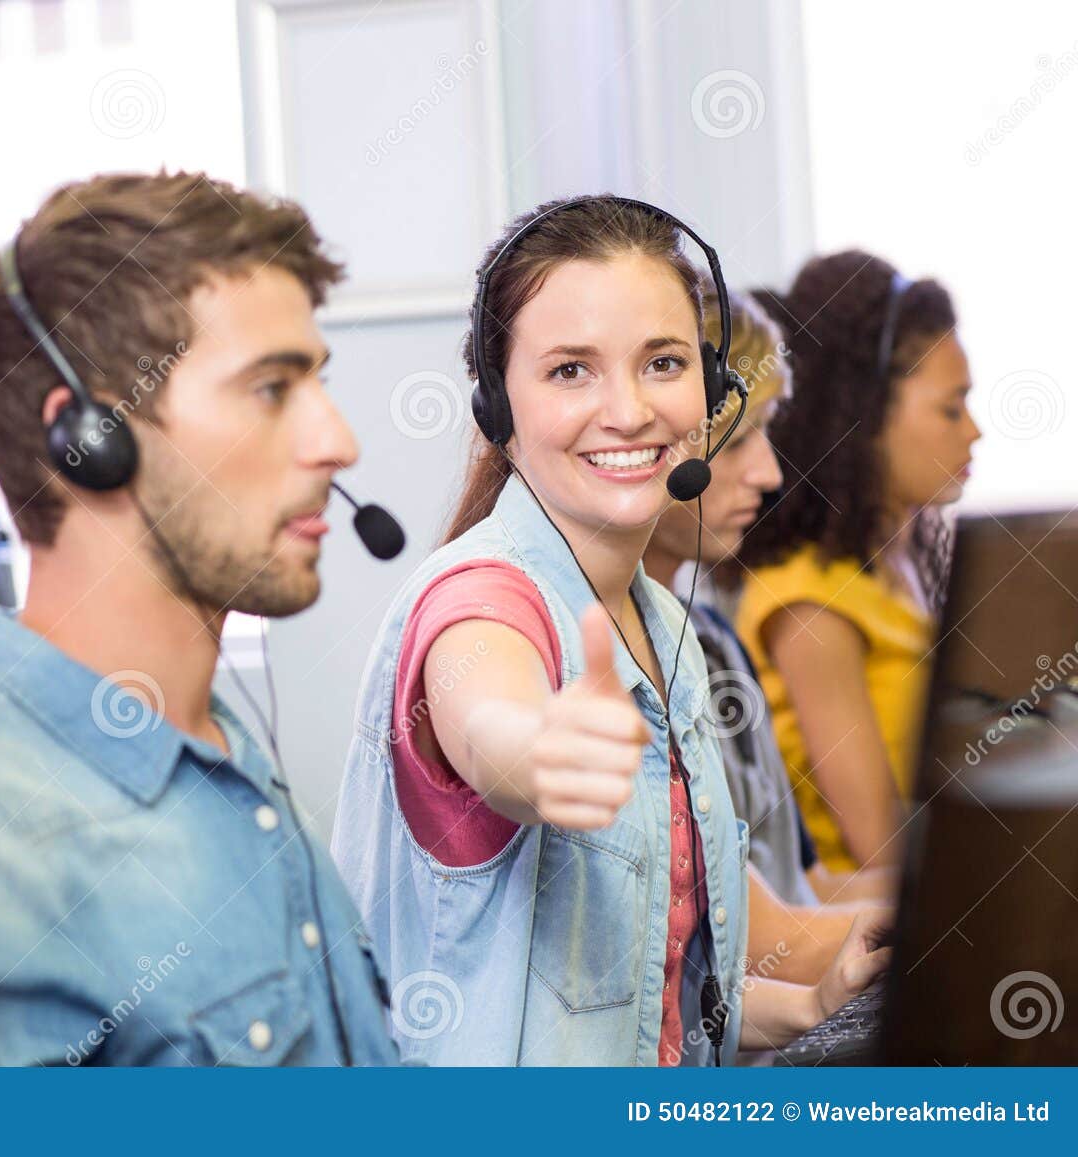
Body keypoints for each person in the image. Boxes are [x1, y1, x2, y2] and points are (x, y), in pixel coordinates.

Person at [331, 195, 889, 1066]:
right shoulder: (479, 602)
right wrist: (536, 753)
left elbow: (653, 1000)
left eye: (663, 362)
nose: (627, 410)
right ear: (497, 408)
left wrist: (814, 1004)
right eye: (570, 371)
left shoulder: (663, 624)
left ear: (712, 387)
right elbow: (492, 718)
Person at [0, 171, 400, 1066]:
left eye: (317, 382)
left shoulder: (217, 744)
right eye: (271, 388)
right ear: (88, 439)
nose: (337, 441)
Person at [643, 286, 894, 988]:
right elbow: (748, 943)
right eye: (741, 437)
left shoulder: (715, 640)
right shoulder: (614, 658)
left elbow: (802, 888)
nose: (770, 474)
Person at [736, 254, 980, 872]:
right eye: (951, 408)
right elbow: (884, 850)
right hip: (875, 922)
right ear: (866, 420)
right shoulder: (810, 605)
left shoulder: (900, 570)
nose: (973, 431)